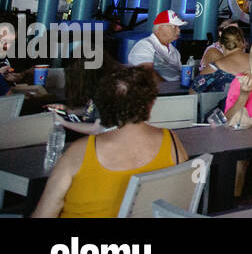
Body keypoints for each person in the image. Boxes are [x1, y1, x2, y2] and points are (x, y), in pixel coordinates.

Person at [34, 66, 190, 218]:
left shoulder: (78, 152)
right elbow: (181, 199)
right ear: (151, 103)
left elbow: (44, 213)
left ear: (103, 104)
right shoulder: (171, 142)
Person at [126, 10, 186, 82]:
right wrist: (170, 88)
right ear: (160, 28)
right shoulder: (144, 45)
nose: (179, 31)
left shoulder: (175, 52)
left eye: (179, 27)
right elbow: (146, 73)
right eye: (175, 27)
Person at [193, 24, 246, 93]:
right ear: (221, 33)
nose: (234, 35)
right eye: (230, 32)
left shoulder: (244, 56)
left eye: (236, 32)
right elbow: (196, 86)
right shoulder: (214, 52)